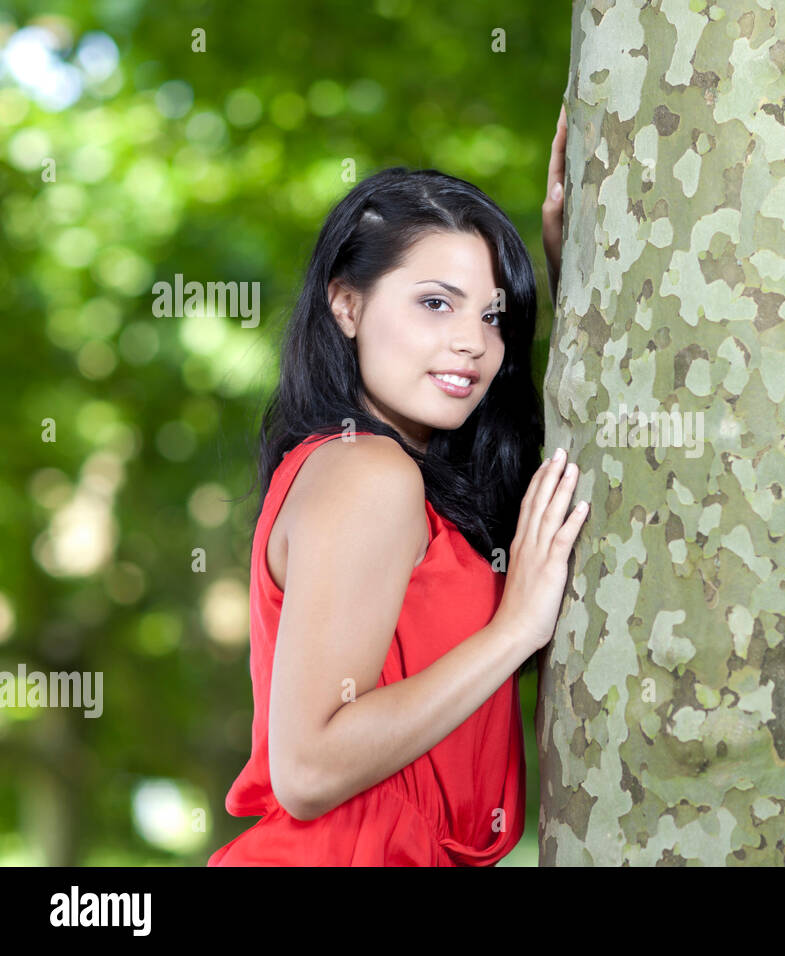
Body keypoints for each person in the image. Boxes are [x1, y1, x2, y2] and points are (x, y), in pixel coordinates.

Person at [209, 107, 581, 865]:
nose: (472, 342)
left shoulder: (413, 485)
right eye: (435, 303)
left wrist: (582, 272)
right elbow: (308, 771)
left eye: (494, 316)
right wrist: (516, 629)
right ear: (346, 304)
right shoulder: (366, 471)